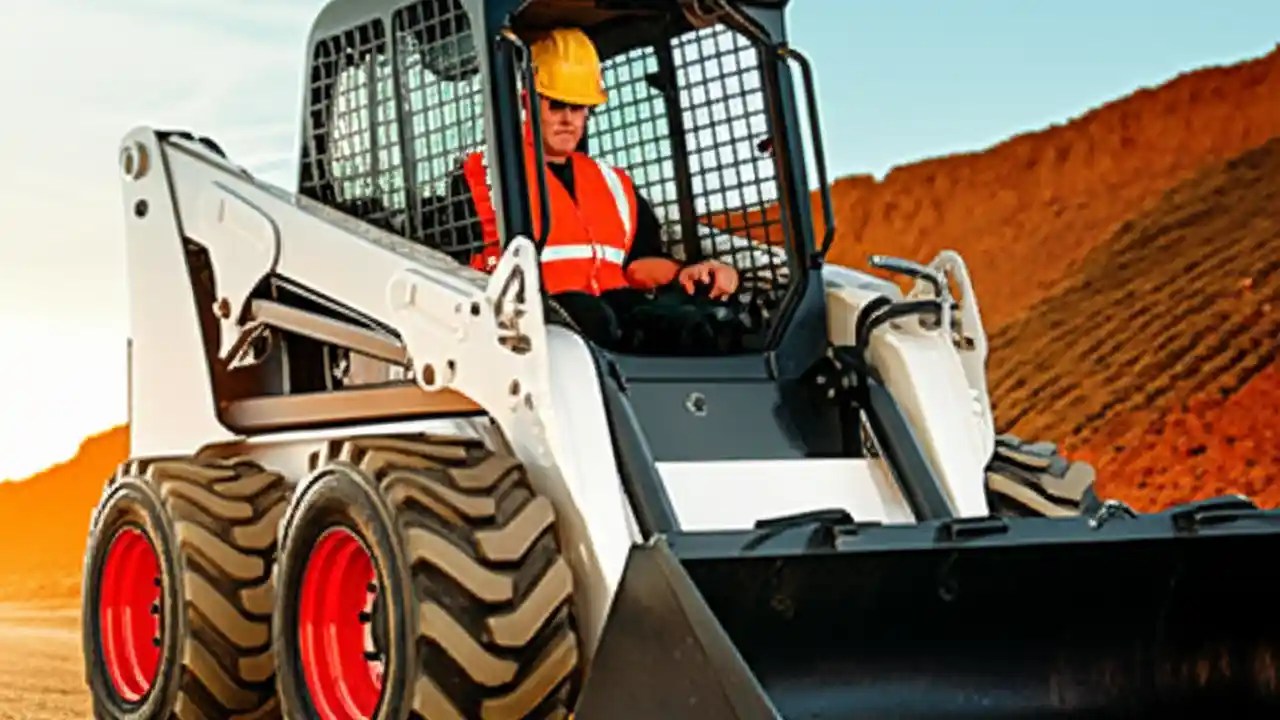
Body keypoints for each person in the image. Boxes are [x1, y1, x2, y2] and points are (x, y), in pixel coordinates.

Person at [447, 26, 741, 350]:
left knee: (697, 322)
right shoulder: (482, 175)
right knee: (592, 316)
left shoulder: (614, 184)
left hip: (617, 319)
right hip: (536, 332)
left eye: (579, 107)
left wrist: (686, 274)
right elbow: (454, 271)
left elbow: (639, 264)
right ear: (526, 101)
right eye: (557, 105)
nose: (569, 119)